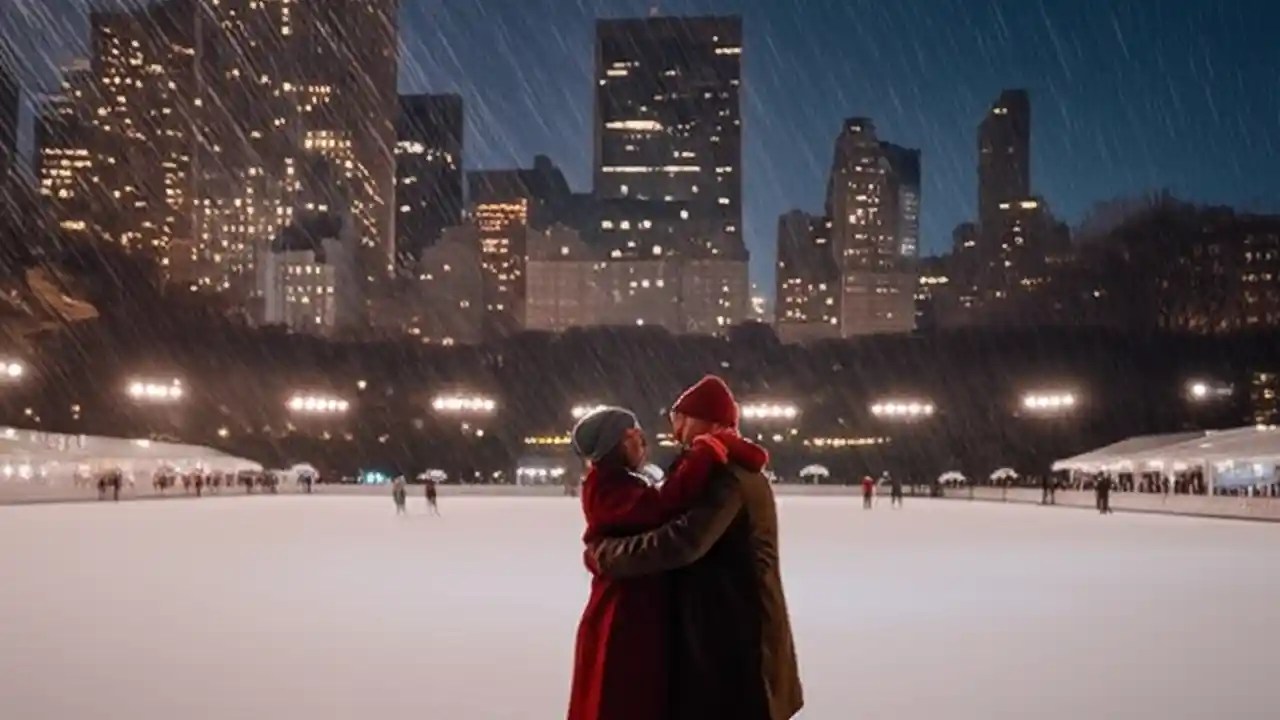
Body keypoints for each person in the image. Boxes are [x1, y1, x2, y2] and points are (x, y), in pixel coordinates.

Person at [583, 376, 803, 720]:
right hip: (719, 628)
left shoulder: (726, 474)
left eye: (684, 418)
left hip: (735, 632)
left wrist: (607, 555)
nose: (676, 428)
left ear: (710, 422)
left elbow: (681, 543)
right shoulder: (712, 467)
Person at [566, 405, 729, 720]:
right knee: (620, 699)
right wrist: (701, 459)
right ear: (618, 444)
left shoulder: (621, 483)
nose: (643, 442)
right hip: (621, 616)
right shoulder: (605, 486)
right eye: (634, 435)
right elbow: (660, 506)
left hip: (634, 610)